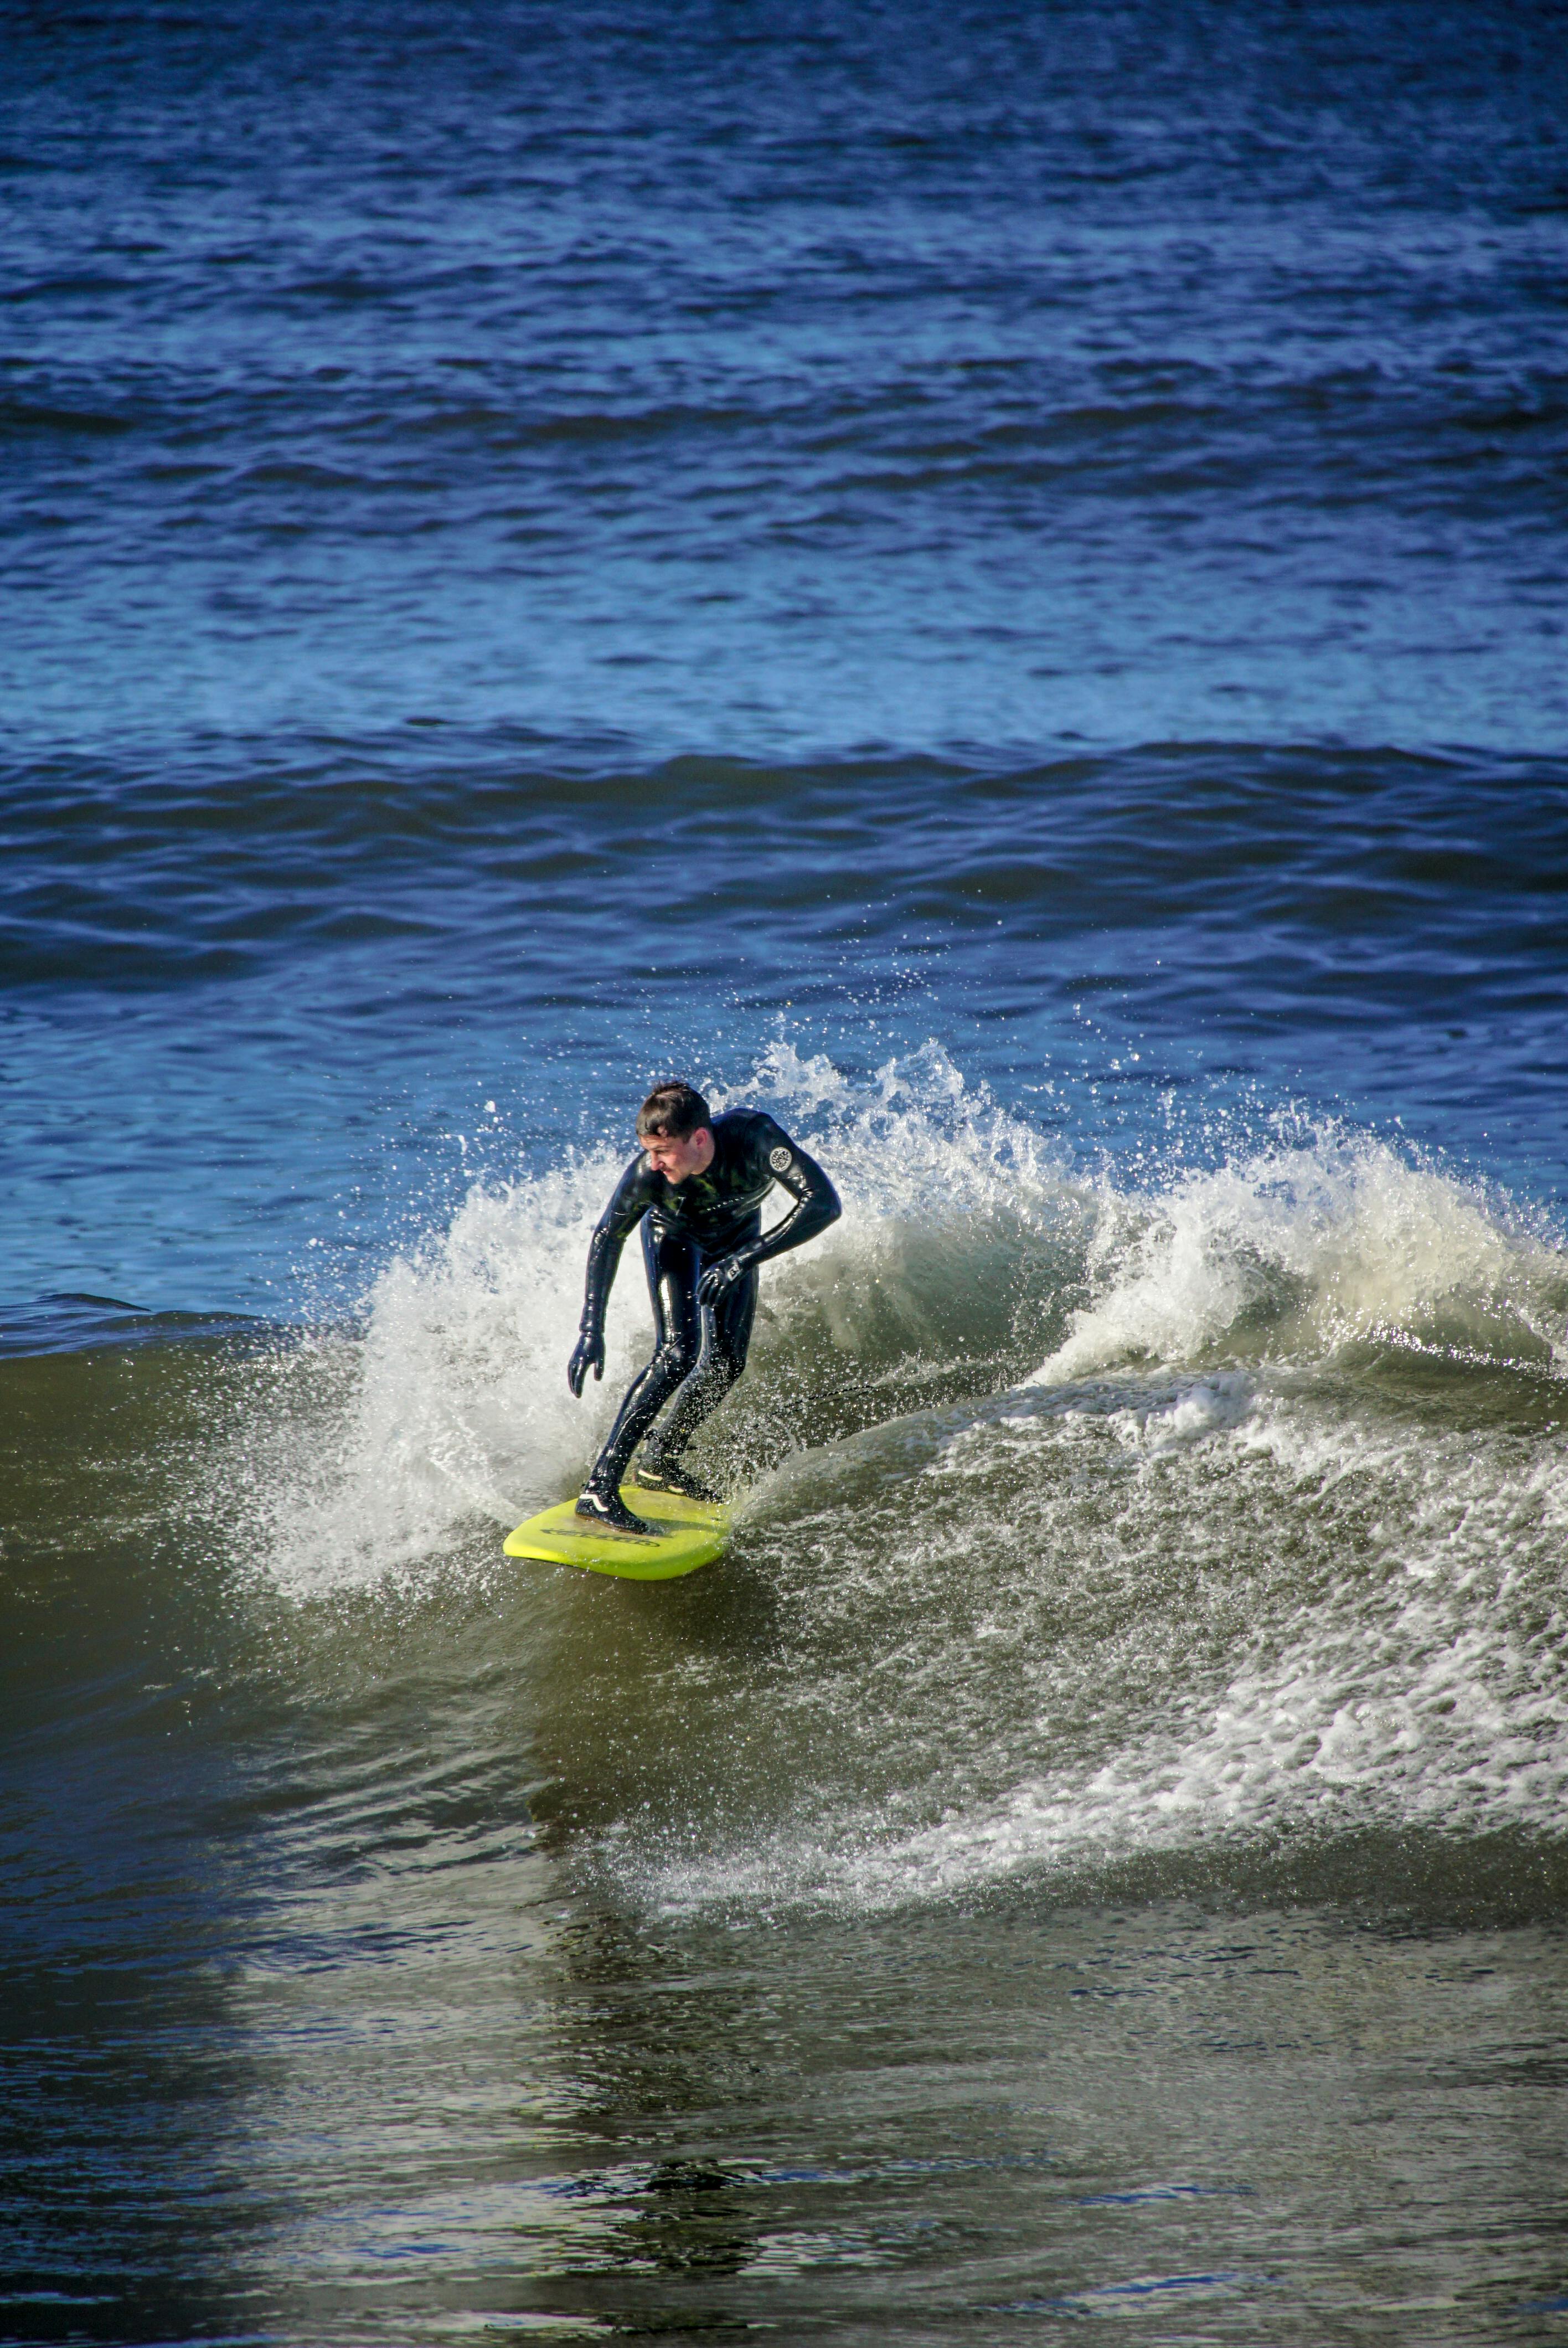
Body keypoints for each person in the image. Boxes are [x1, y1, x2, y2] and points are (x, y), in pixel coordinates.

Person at [568, 1079, 842, 1533]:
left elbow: (824, 1203)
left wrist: (743, 1257)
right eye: (649, 1152)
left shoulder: (755, 1139)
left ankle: (660, 1461)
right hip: (676, 1238)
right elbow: (607, 1237)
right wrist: (590, 1329)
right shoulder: (647, 1177)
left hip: (737, 1241)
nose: (654, 1164)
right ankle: (600, 1489)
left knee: (727, 1362)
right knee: (678, 1353)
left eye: (664, 1152)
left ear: (698, 1138)